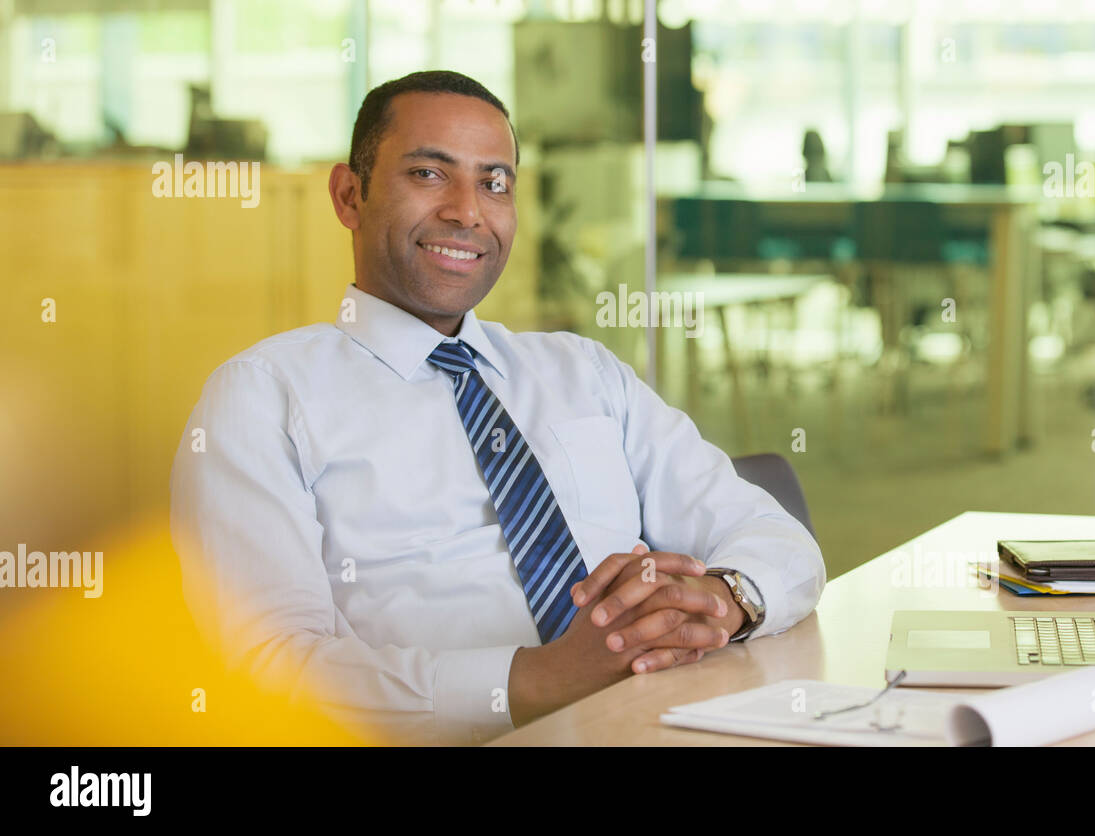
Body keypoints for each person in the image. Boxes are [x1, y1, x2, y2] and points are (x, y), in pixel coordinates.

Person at [169, 69, 825, 745]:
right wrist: (541, 680)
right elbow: (269, 670)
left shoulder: (582, 371)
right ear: (348, 195)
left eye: (495, 182)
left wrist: (725, 600)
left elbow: (775, 536)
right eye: (428, 174)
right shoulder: (262, 398)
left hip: (671, 720)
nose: (467, 211)